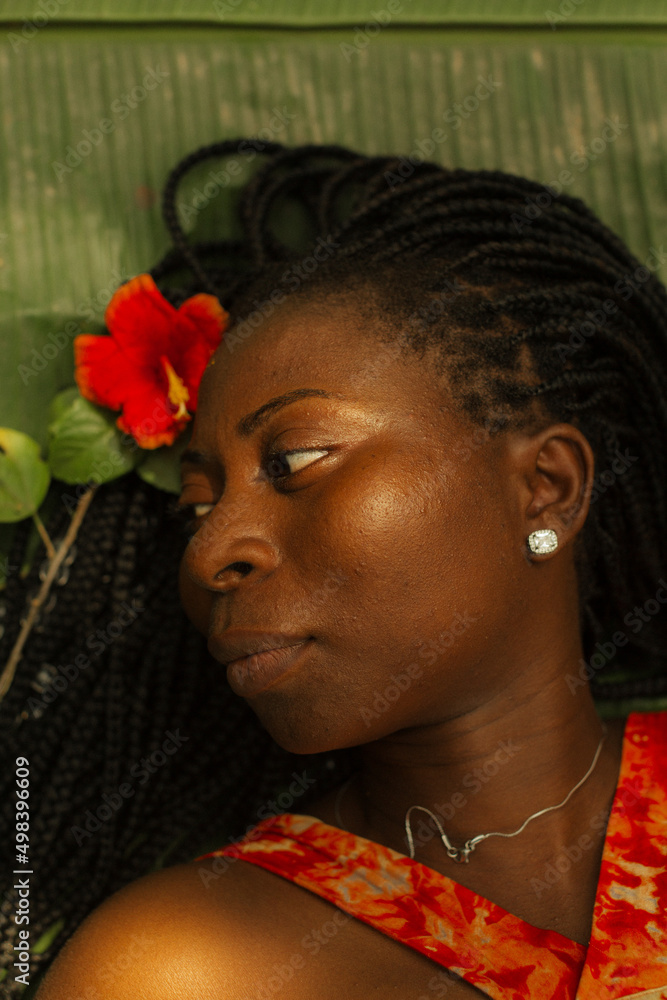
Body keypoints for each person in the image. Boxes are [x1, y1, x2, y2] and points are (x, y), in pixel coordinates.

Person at [34, 140, 667, 999]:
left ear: (545, 487)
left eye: (294, 462)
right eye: (195, 506)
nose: (211, 550)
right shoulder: (185, 968)